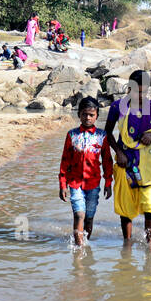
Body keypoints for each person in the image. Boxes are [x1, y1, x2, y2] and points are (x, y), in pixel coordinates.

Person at [105, 70, 151, 244]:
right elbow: (108, 133)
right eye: (136, 91)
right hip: (125, 160)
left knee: (150, 204)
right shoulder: (117, 107)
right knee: (126, 207)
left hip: (148, 163)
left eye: (143, 91)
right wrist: (118, 152)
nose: (139, 95)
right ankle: (127, 245)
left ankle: (150, 245)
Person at [59, 97, 113, 245]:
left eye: (91, 115)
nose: (88, 118)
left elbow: (108, 161)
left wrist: (108, 183)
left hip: (93, 184)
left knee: (89, 217)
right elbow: (65, 161)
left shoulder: (102, 136)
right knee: (79, 215)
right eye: (84, 114)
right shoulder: (72, 135)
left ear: (97, 116)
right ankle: (79, 249)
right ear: (79, 115)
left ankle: (85, 246)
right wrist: (62, 184)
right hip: (75, 183)